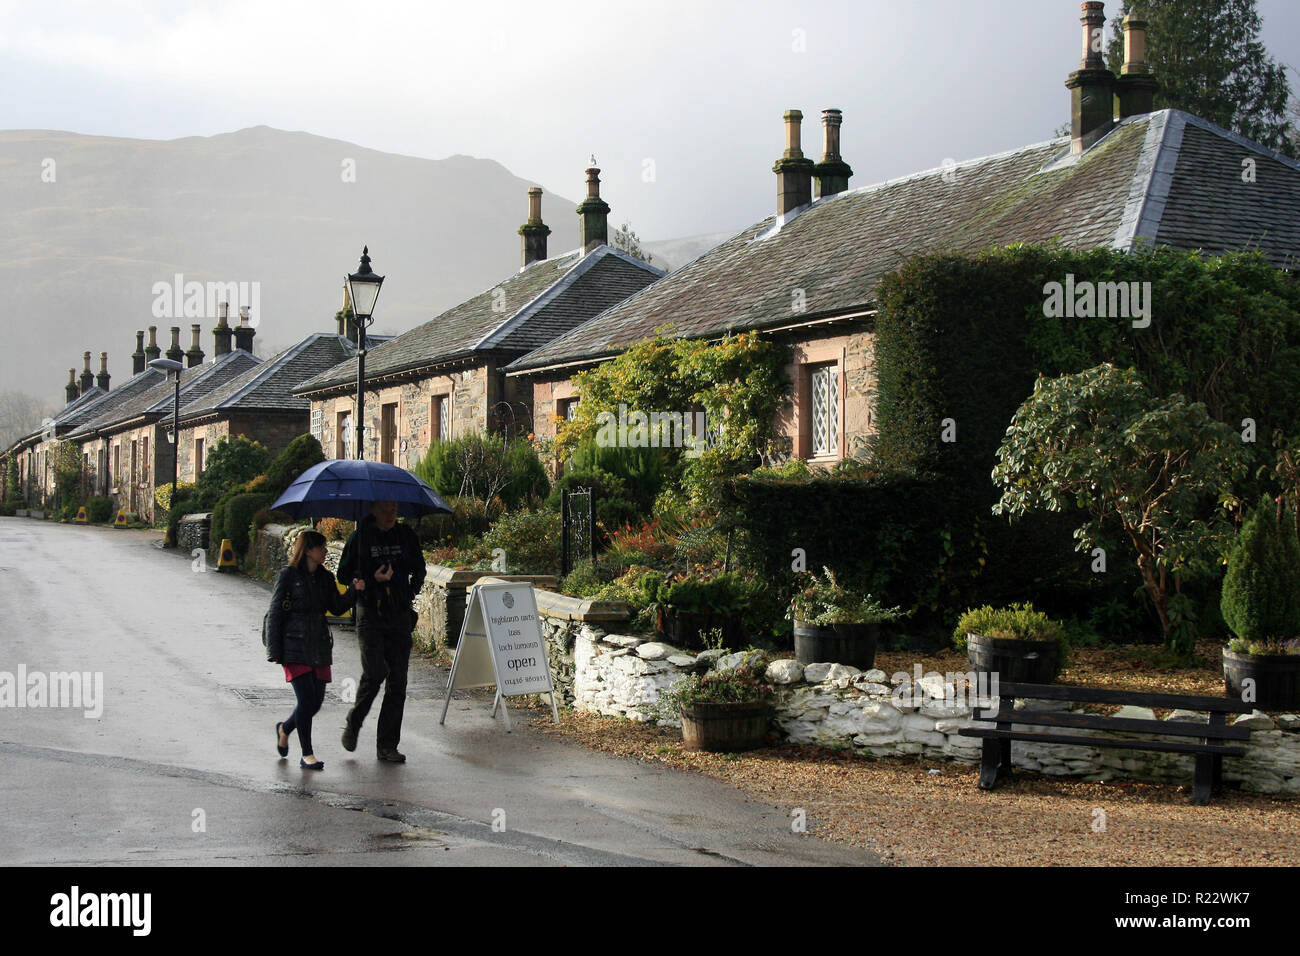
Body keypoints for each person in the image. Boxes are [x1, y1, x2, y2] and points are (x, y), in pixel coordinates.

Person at [266, 530, 364, 770]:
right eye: (322, 547)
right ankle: (307, 753)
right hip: (294, 645)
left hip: (319, 644)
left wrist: (354, 591)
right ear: (308, 549)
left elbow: (337, 607)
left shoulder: (325, 578)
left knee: (315, 702)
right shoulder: (288, 576)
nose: (326, 551)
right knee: (306, 699)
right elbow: (275, 612)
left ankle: (284, 728)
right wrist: (274, 650)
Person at [337, 500, 426, 763]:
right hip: (370, 614)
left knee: (398, 682)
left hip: (398, 614)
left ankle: (387, 745)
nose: (391, 515)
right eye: (385, 511)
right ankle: (354, 722)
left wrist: (409, 590)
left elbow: (419, 569)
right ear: (373, 511)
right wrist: (368, 578)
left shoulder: (405, 536)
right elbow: (343, 574)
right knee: (376, 672)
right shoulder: (360, 538)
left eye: (394, 511)